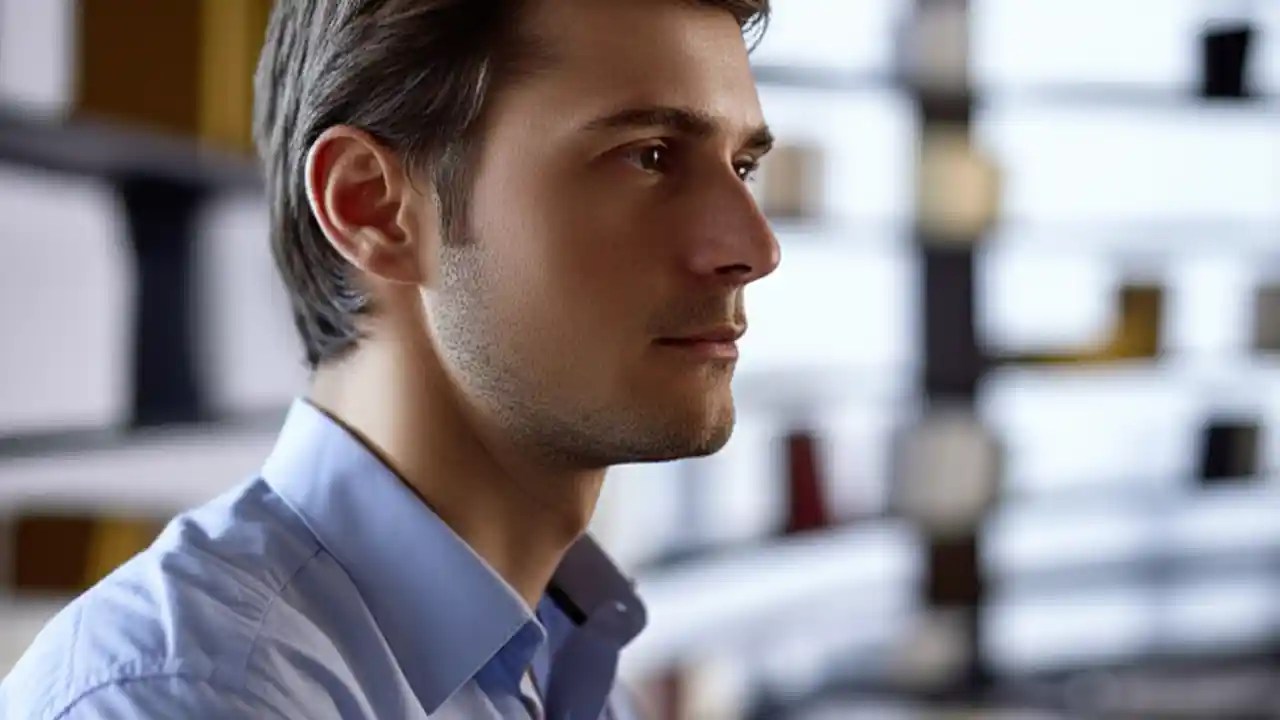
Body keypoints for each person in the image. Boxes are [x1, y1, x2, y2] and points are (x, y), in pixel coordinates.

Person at [0, 0, 778, 716]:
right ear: (371, 206)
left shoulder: (569, 664)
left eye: (742, 167)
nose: (756, 247)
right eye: (649, 156)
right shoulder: (190, 696)